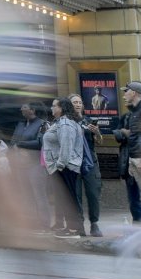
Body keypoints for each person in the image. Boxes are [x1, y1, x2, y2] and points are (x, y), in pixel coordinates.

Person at [114, 82, 141, 223]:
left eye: (126, 91)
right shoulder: (134, 112)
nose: (124, 94)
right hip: (134, 159)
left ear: (134, 93)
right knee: (138, 196)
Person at [42, 97, 85, 238]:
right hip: (62, 167)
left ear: (61, 108)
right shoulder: (61, 122)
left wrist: (59, 166)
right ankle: (72, 228)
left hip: (65, 167)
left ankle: (73, 229)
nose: (52, 108)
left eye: (54, 106)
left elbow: (66, 147)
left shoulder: (65, 123)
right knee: (65, 198)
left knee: (68, 199)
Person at [10, 102, 49, 230]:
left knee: (39, 195)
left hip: (35, 164)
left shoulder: (42, 124)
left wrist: (20, 144)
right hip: (21, 164)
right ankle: (31, 222)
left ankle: (44, 224)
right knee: (26, 195)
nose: (21, 109)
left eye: (25, 107)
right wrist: (17, 145)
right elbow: (13, 140)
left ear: (32, 110)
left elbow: (40, 142)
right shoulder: (21, 124)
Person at [69, 93, 103, 236]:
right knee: (75, 196)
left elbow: (100, 142)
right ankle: (79, 225)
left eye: (80, 102)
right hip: (73, 163)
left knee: (93, 194)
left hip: (90, 163)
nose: (78, 104)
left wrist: (96, 133)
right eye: (74, 102)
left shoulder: (89, 121)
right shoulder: (66, 122)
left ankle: (94, 224)